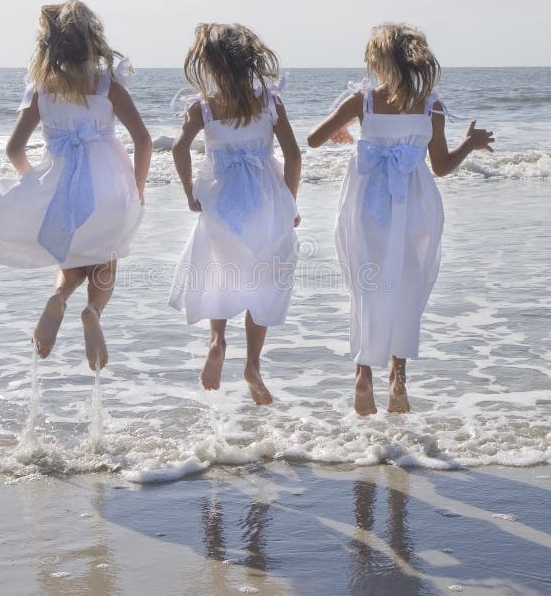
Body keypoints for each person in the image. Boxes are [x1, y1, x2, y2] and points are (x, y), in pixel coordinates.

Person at [307, 23, 494, 416]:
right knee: (407, 284)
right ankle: (398, 378)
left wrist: (342, 127)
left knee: (367, 284)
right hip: (414, 204)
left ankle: (363, 374)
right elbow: (441, 166)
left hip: (364, 203)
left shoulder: (362, 101)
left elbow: (312, 139)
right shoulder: (431, 106)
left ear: (377, 63)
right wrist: (471, 144)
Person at [0, 0, 151, 371]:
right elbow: (143, 140)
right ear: (93, 40)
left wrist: (35, 184)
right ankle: (92, 311)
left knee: (71, 257)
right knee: (105, 259)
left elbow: (14, 149)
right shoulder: (108, 86)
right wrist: (137, 189)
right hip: (109, 189)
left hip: (60, 189)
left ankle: (59, 296)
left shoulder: (41, 90)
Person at [169, 23, 302, 405]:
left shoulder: (203, 107)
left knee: (221, 270)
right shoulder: (269, 102)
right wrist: (289, 203)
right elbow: (294, 156)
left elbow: (179, 149)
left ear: (211, 66)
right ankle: (253, 365)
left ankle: (217, 341)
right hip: (265, 203)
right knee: (262, 280)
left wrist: (190, 193)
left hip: (221, 201)